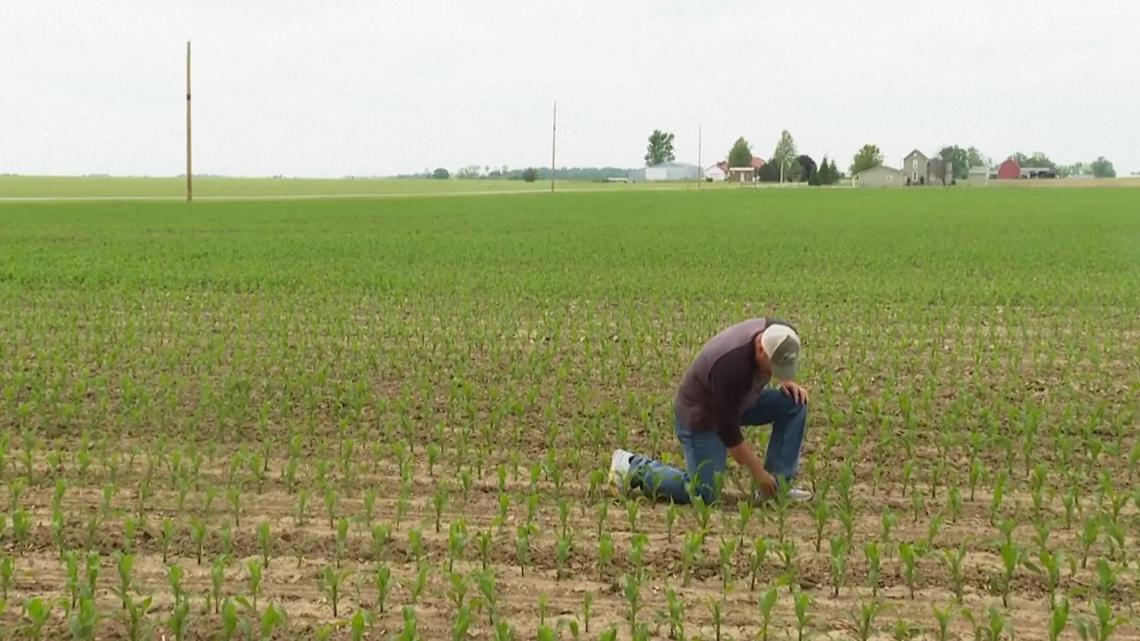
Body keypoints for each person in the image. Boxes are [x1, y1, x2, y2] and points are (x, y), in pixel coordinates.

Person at [609, 318, 811, 505]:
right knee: (704, 493)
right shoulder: (731, 366)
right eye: (773, 368)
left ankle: (778, 489)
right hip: (703, 415)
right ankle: (631, 467)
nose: (772, 374)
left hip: (741, 400)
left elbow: (782, 352)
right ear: (760, 349)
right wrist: (759, 474)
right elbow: (728, 432)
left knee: (794, 403)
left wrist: (787, 380)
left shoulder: (781, 333)